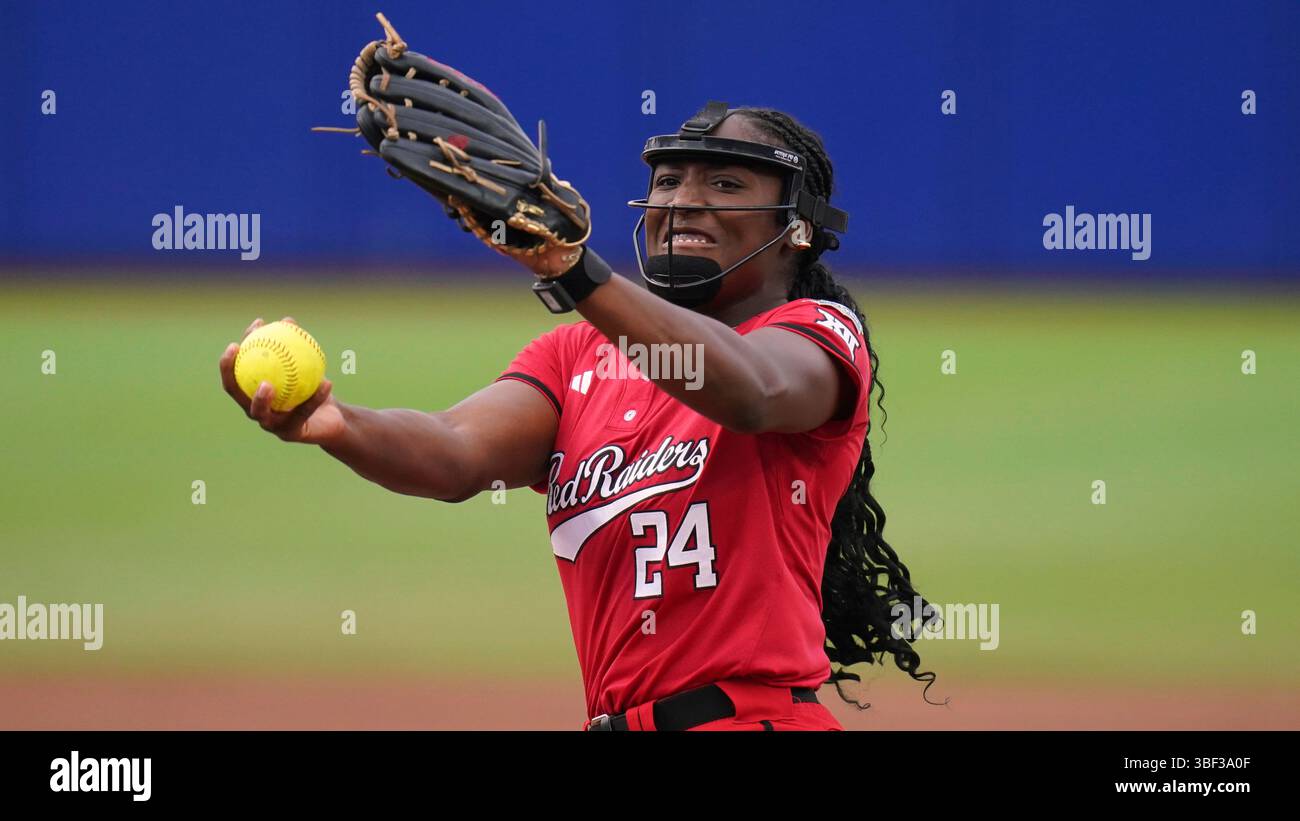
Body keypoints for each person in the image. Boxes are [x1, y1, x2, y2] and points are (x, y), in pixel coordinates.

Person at [219, 102, 939, 731]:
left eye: (724, 183)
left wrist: (573, 269)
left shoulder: (817, 335)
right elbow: (454, 450)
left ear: (797, 230)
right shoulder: (576, 355)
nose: (683, 200)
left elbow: (747, 390)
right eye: (667, 181)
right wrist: (341, 423)